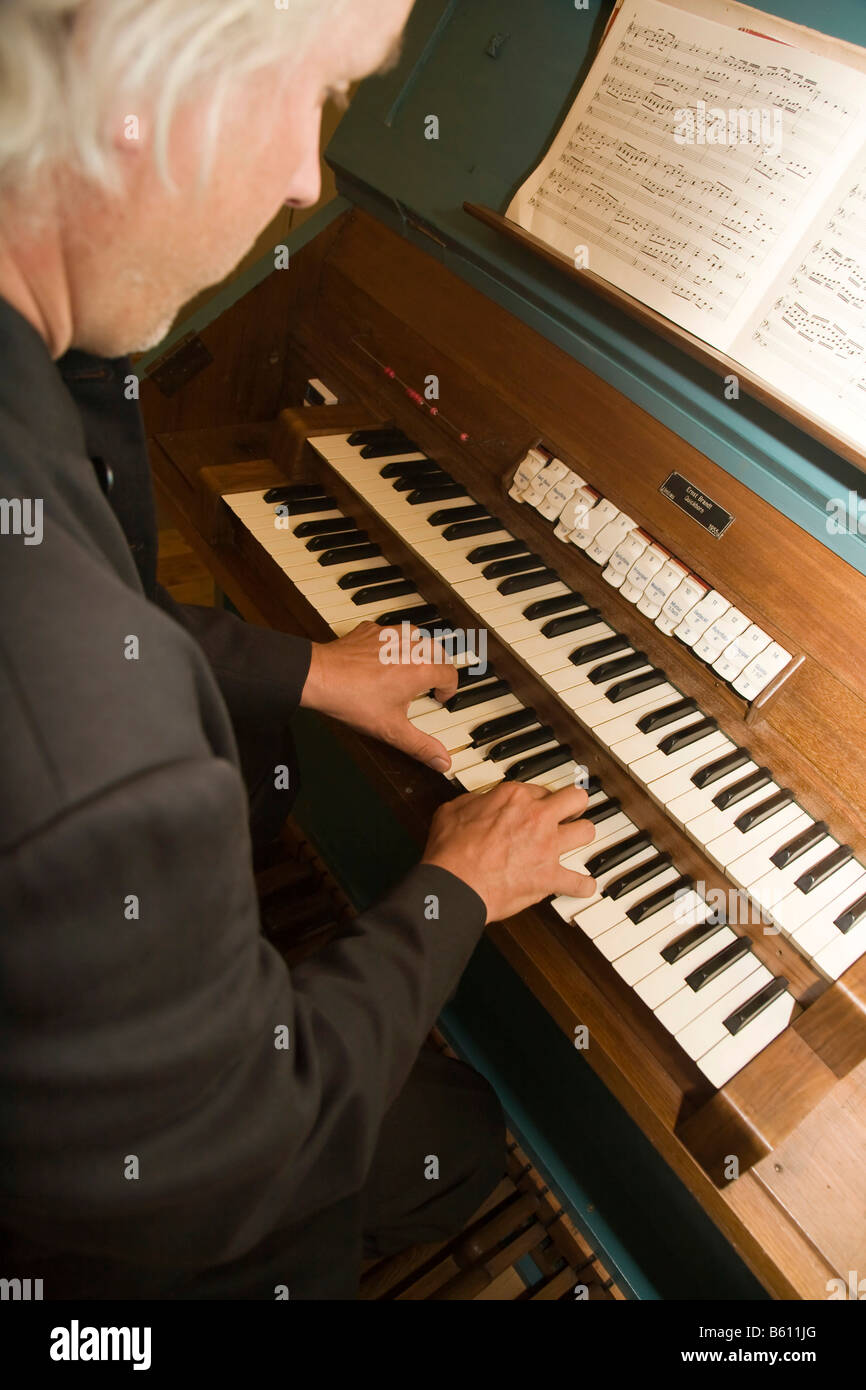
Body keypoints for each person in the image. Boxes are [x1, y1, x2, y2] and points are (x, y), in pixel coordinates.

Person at [0, 0, 596, 1300]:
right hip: (114, 1242)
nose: (304, 181)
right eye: (309, 95)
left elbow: (89, 609)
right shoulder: (85, 733)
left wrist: (305, 670)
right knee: (456, 1137)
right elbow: (223, 1166)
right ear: (124, 89)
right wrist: (452, 889)